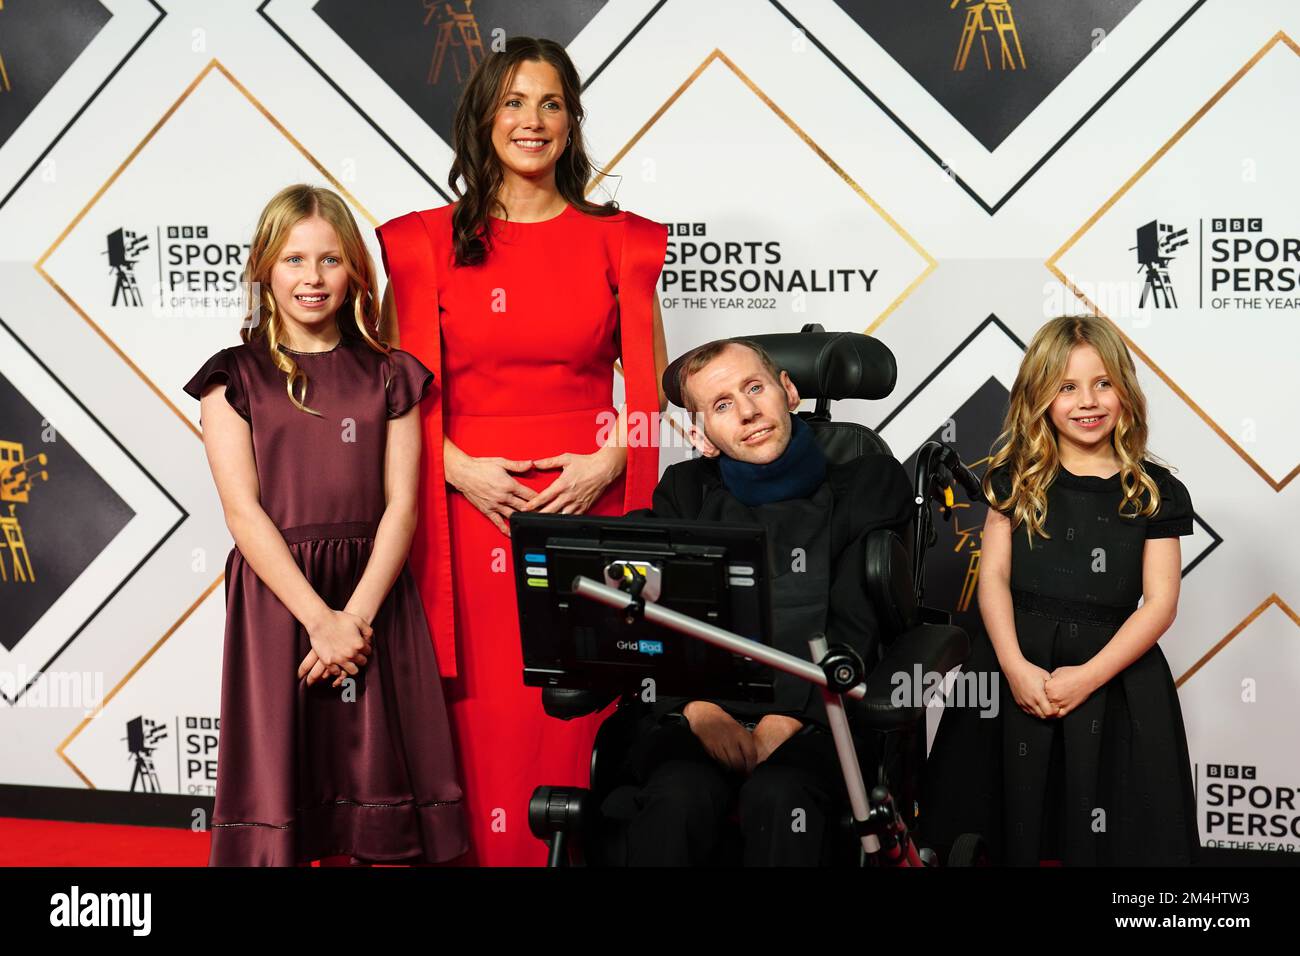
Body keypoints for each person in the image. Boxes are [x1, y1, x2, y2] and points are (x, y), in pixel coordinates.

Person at [375, 36, 669, 865]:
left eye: (550, 104)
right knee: (482, 722)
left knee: (575, 717)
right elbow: (391, 400)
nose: (531, 121)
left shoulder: (623, 242)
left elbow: (649, 401)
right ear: (483, 118)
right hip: (465, 524)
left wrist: (610, 462)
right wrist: (456, 468)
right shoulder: (422, 244)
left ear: (571, 122)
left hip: (588, 517)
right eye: (513, 102)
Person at [184, 184, 467, 866]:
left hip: (373, 596)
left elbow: (402, 507)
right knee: (285, 776)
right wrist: (320, 620)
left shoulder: (392, 375)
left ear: (356, 272)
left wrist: (353, 621)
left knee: (379, 777)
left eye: (330, 260)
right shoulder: (233, 378)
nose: (312, 278)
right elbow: (242, 512)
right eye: (293, 260)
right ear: (265, 269)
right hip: (281, 600)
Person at [618, 338, 913, 866]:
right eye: (722, 405)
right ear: (702, 436)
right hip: (701, 708)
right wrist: (696, 709)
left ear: (789, 391)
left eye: (754, 388)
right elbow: (660, 621)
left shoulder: (868, 481)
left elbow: (856, 622)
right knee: (679, 794)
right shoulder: (685, 491)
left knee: (780, 797)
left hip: (822, 715)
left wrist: (789, 718)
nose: (747, 412)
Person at [979, 314, 1199, 866]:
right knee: (1009, 826)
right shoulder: (1015, 479)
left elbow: (1161, 604)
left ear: (1125, 389)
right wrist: (1014, 666)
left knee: (1112, 835)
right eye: (1067, 387)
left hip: (1116, 679)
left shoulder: (1155, 491)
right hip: (1018, 671)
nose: (1088, 401)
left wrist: (1088, 678)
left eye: (1103, 383)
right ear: (1039, 396)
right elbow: (994, 577)